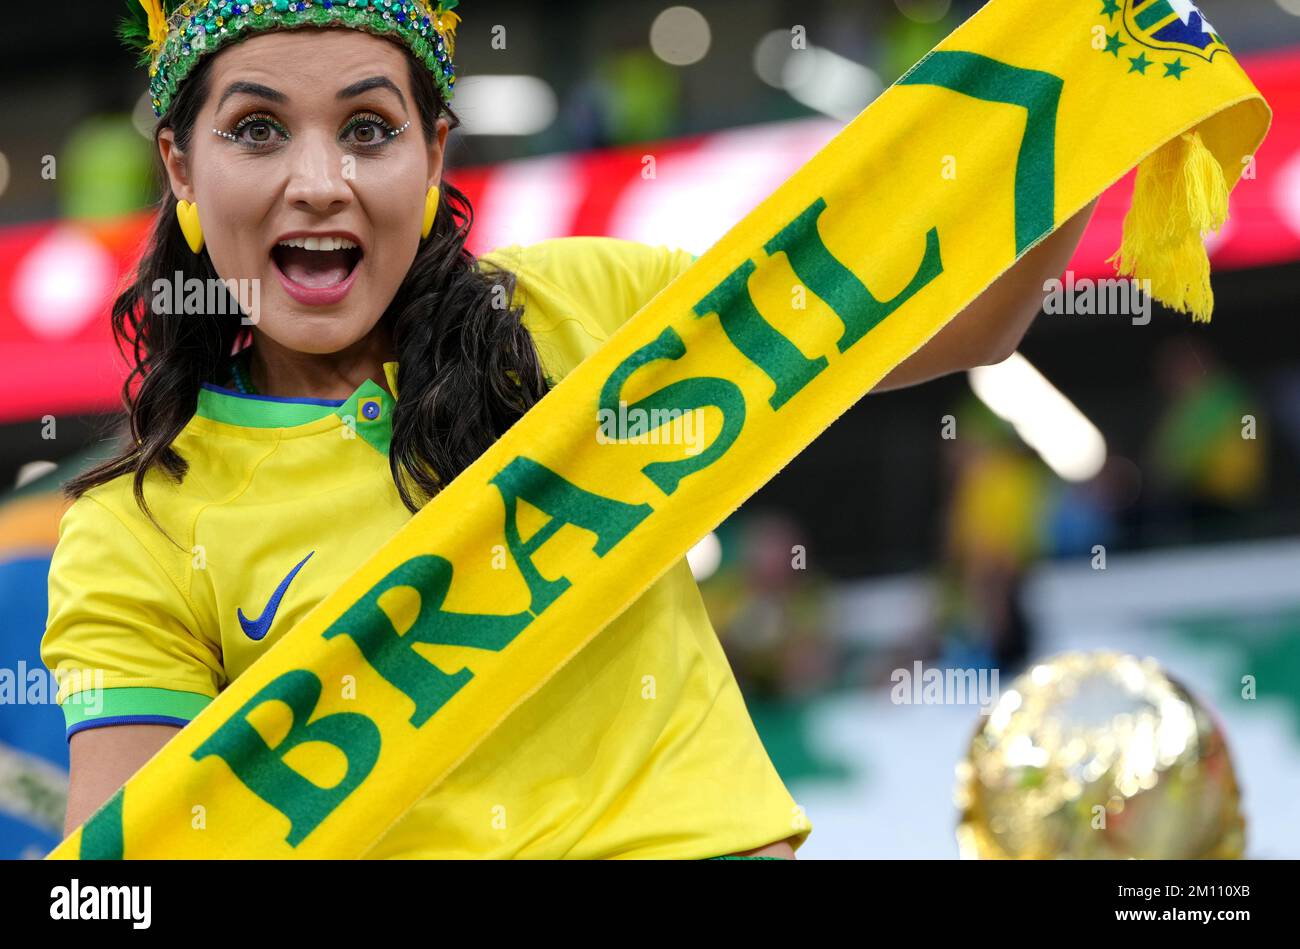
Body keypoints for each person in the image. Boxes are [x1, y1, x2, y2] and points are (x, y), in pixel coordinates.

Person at [41, 0, 1098, 859]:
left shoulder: (587, 310)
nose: (321, 183)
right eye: (257, 130)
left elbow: (968, 313)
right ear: (179, 168)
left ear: (435, 151)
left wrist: (1096, 65)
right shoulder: (136, 530)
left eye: (369, 129)